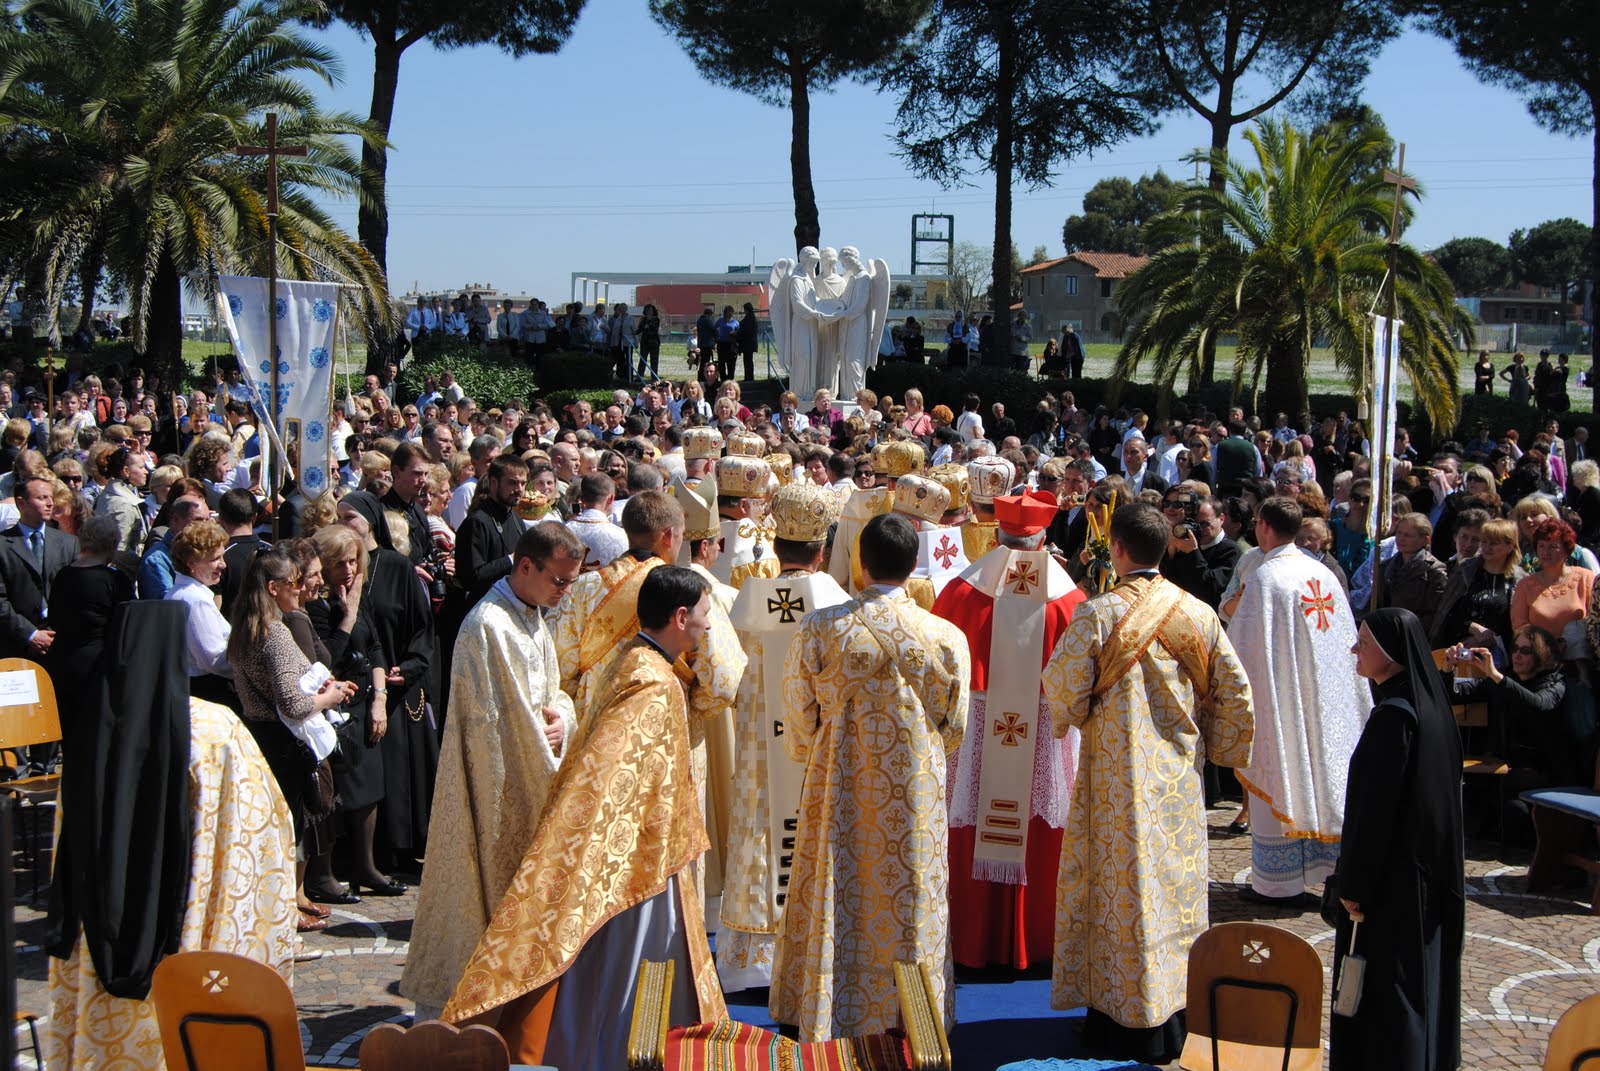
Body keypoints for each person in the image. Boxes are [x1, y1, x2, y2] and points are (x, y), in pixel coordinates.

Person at [441, 567, 727, 1069]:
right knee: (632, 966)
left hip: (646, 846)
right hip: (640, 861)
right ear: (680, 618)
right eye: (704, 615)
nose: (707, 626)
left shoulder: (635, 660)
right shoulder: (653, 685)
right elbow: (606, 776)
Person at [43, 602, 296, 1071]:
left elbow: (67, 848)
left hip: (94, 946)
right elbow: (260, 830)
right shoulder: (216, 730)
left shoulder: (88, 733)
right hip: (188, 941)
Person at [1042, 503, 1254, 1062]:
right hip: (1179, 781)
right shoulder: (1199, 614)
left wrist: (1078, 713)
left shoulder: (1096, 615)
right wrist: (1221, 751)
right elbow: (1235, 693)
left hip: (1112, 780)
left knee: (1115, 890)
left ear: (1116, 549)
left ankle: (1116, 1014)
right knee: (1173, 891)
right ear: (1165, 548)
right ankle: (1172, 1011)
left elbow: (1062, 691)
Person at [770, 513, 970, 1041]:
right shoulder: (946, 637)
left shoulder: (820, 627)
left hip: (837, 785)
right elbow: (956, 727)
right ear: (913, 567)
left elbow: (799, 716)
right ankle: (914, 1018)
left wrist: (819, 750)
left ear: (860, 564)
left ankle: (827, 1009)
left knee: (837, 887)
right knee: (911, 895)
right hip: (914, 793)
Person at [403, 524, 584, 1021]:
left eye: (570, 581)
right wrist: (545, 762)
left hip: (531, 771)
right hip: (497, 787)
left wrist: (561, 721)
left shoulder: (532, 614)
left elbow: (553, 691)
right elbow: (492, 725)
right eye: (560, 580)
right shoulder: (489, 625)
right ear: (525, 566)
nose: (564, 591)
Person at [934, 490, 1084, 969]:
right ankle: (1037, 937)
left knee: (972, 813)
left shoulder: (961, 589)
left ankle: (972, 934)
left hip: (979, 730)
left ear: (995, 535)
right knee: (1042, 820)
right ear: (1044, 541)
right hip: (1041, 732)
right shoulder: (1070, 597)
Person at [717, 482, 848, 991]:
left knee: (757, 827)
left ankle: (754, 960)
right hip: (814, 746)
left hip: (757, 755)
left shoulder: (745, 603)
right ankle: (815, 948)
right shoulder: (838, 605)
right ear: (821, 550)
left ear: (775, 547)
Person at [1333, 609, 1464, 1071]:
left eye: (1363, 642)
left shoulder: (1394, 718)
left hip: (1389, 888)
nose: (1355, 649)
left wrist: (1352, 887)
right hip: (1427, 882)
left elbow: (1373, 816)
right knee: (1419, 988)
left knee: (1388, 1001)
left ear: (1390, 655)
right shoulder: (1430, 708)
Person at [1228, 497, 1367, 904]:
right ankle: (1326, 873)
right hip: (1325, 701)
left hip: (1284, 701)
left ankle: (1278, 885)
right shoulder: (1320, 573)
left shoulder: (1268, 578)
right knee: (1321, 779)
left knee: (1281, 771)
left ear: (1264, 527)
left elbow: (1243, 651)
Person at [227, 547, 358, 933]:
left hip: (264, 735)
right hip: (285, 741)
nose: (301, 589)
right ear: (273, 587)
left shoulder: (247, 626)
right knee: (290, 827)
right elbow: (294, 703)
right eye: (294, 583)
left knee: (288, 825)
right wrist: (331, 697)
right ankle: (283, 908)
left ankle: (293, 898)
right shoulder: (275, 633)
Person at [549, 489, 745, 727]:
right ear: (669, 536)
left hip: (597, 725)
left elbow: (558, 665)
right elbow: (723, 681)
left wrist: (582, 705)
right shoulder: (688, 589)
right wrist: (692, 709)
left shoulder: (581, 588)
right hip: (668, 724)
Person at [337, 491, 441, 876]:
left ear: (369, 520)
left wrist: (412, 666)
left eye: (349, 517)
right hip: (356, 684)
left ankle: (398, 847)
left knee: (399, 770)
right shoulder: (343, 567)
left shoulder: (397, 567)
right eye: (338, 517)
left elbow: (422, 628)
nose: (343, 523)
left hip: (398, 683)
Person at [305, 524, 400, 904]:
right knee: (333, 794)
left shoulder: (360, 595)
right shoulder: (315, 606)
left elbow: (375, 647)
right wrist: (347, 616)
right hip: (332, 705)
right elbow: (326, 656)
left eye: (352, 561)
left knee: (369, 789)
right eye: (339, 563)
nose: (347, 569)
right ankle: (322, 874)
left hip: (364, 702)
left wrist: (379, 700)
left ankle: (366, 866)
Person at [46, 515, 135, 745]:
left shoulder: (63, 575)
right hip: (98, 666)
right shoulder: (115, 580)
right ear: (112, 544)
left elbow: (54, 617)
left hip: (62, 662)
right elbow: (127, 627)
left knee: (71, 738)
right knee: (97, 740)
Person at [0, 474, 78, 659]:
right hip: (17, 646)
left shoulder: (69, 544)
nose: (50, 503)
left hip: (62, 643)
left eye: (51, 497)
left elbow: (78, 592)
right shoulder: (3, 545)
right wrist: (31, 634)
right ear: (22, 503)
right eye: (42, 498)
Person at [165, 518, 235, 707]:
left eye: (222, 557)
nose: (223, 565)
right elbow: (214, 660)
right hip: (208, 693)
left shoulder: (183, 594)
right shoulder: (195, 601)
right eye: (215, 559)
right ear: (191, 563)